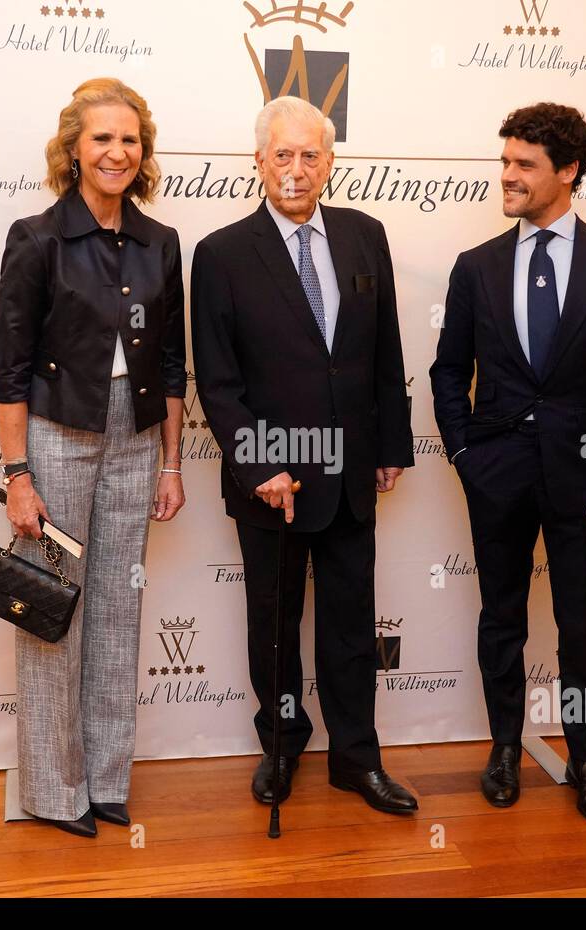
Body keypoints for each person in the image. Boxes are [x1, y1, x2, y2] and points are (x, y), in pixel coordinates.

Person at [430, 102, 586, 826]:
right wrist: (466, 453)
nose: (509, 176)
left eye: (525, 165)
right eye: (505, 162)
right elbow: (447, 370)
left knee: (581, 625)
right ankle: (503, 746)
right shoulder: (478, 267)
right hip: (497, 471)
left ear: (567, 171)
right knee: (500, 618)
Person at [191, 96, 417, 814]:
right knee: (276, 629)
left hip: (351, 474)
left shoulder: (364, 236)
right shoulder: (220, 253)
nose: (296, 169)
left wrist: (390, 444)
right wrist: (259, 465)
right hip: (273, 482)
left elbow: (385, 351)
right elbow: (218, 382)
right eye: (282, 155)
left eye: (310, 155)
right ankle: (282, 748)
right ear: (258, 161)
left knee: (352, 626)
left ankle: (356, 759)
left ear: (330, 161)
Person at [0, 78, 186, 838]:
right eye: (102, 138)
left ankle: (105, 779)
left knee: (114, 611)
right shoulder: (36, 238)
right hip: (57, 433)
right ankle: (51, 786)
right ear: (73, 150)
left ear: (144, 153)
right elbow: (10, 368)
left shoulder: (159, 242)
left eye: (130, 139)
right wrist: (18, 475)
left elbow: (170, 364)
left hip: (135, 437)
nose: (117, 151)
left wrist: (171, 461)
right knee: (51, 610)